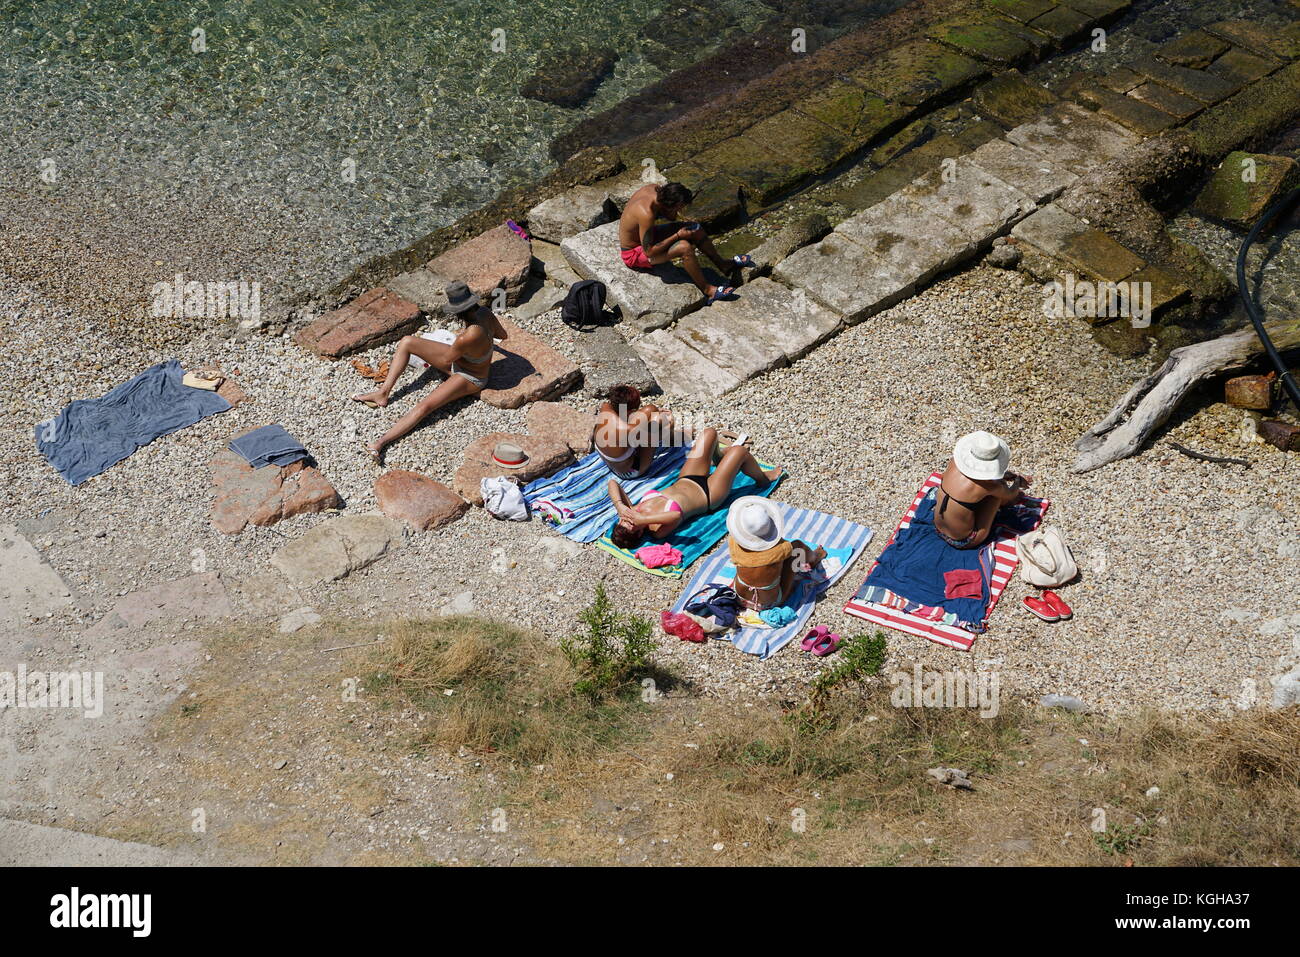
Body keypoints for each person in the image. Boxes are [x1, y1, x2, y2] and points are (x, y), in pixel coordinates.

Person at [352, 280, 507, 461]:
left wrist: (457, 347)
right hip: (464, 362)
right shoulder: (486, 314)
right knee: (407, 341)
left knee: (424, 406)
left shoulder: (465, 338)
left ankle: (380, 442)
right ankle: (383, 392)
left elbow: (446, 359)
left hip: (471, 377)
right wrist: (482, 345)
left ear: (457, 312)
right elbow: (502, 335)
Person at [607, 428, 781, 548]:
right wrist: (642, 520)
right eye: (631, 525)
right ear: (638, 534)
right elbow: (675, 515)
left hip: (688, 478)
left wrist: (620, 506)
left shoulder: (631, 510)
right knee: (738, 452)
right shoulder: (656, 530)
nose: (629, 519)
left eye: (624, 521)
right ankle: (763, 478)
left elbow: (612, 483)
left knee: (709, 434)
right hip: (709, 494)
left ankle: (720, 461)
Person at [618, 181, 752, 305]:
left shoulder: (654, 189)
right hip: (634, 253)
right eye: (678, 209)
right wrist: (677, 236)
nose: (678, 213)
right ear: (670, 205)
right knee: (684, 247)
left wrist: (676, 223)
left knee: (695, 228)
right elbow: (649, 251)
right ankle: (708, 290)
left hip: (649, 235)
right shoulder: (646, 213)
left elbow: (666, 219)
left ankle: (723, 265)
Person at [933, 431, 1032, 549]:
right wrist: (1018, 481)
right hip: (964, 540)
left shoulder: (954, 463)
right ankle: (1004, 506)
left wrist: (1007, 475)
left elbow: (979, 476)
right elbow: (1010, 494)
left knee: (978, 495)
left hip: (938, 528)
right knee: (996, 496)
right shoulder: (989, 487)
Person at [726, 497, 826, 611]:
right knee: (798, 547)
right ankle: (814, 557)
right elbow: (788, 552)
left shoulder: (733, 541)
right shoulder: (782, 549)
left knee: (748, 563)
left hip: (740, 596)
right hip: (770, 603)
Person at [593, 384, 678, 478]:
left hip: (610, 460)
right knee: (661, 422)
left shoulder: (605, 407)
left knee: (651, 413)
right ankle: (672, 440)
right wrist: (666, 423)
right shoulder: (629, 431)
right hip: (629, 472)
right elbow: (651, 432)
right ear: (632, 410)